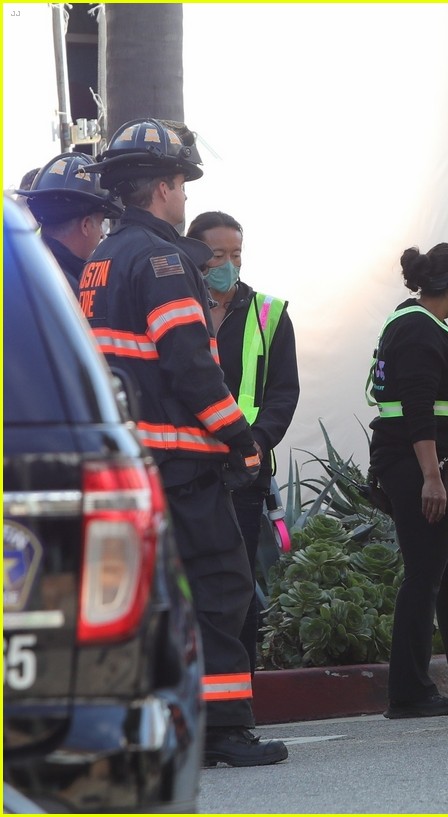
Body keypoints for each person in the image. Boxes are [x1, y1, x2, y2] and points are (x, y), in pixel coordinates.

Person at [79, 118, 287, 767]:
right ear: (165, 186)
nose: (185, 199)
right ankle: (222, 729)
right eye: (182, 186)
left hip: (126, 461)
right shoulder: (164, 259)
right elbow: (190, 364)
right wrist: (238, 438)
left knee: (146, 600)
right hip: (180, 464)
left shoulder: (101, 258)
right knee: (221, 587)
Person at [186, 211, 300, 672]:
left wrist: (254, 446)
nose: (228, 264)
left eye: (236, 254)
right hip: (190, 468)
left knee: (238, 582)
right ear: (196, 256)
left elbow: (283, 393)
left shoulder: (269, 313)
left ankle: (241, 691)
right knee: (192, 581)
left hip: (245, 471)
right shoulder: (178, 307)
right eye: (217, 255)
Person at [367, 243, 448, 719]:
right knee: (426, 578)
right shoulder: (417, 330)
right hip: (419, 467)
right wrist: (432, 478)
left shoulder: (417, 323)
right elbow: (417, 411)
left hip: (429, 464)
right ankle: (408, 693)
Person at [15, 152, 123, 288]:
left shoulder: (25, 266)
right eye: (100, 223)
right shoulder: (68, 292)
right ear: (86, 225)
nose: (102, 234)